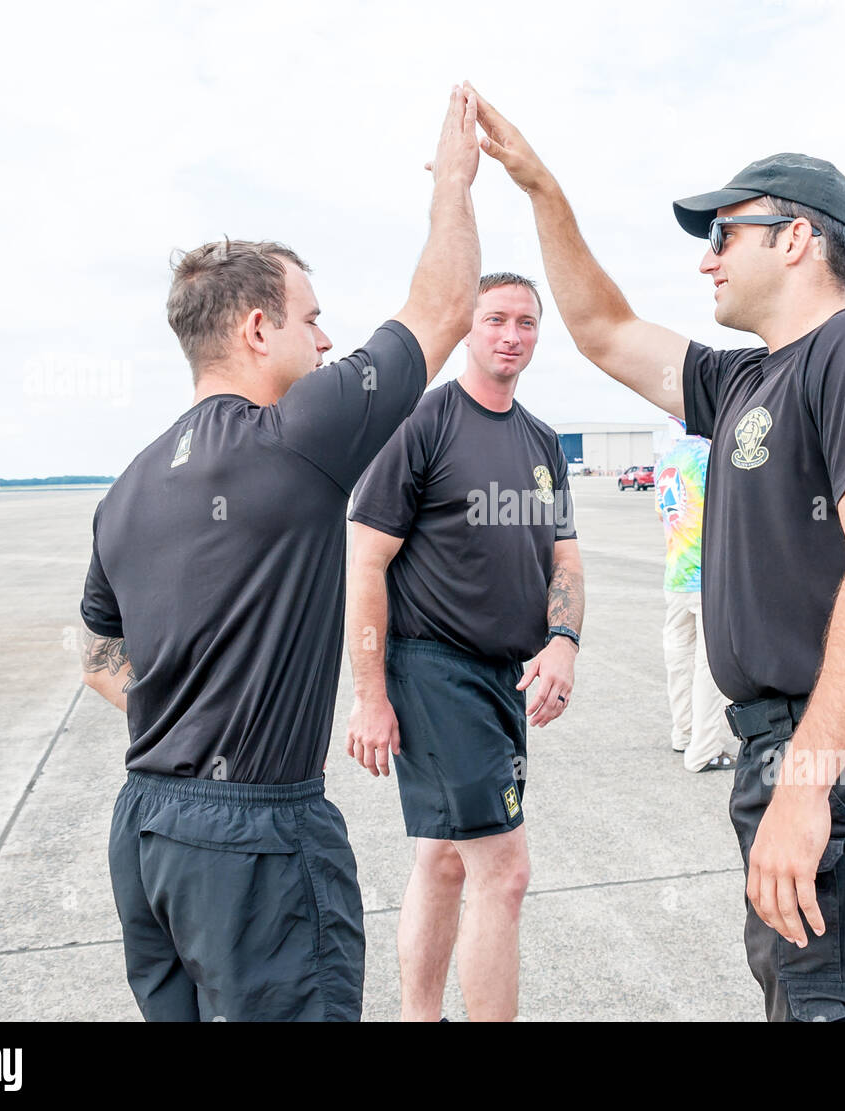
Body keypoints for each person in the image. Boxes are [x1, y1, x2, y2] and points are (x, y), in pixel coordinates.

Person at [470, 84, 845, 1022]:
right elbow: (604, 331)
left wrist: (809, 782)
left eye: (726, 234)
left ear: (797, 238)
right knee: (808, 994)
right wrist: (541, 189)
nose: (707, 260)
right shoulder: (748, 375)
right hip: (790, 751)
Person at [77, 86, 484, 1022]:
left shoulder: (128, 487)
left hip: (145, 832)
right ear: (258, 329)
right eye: (311, 318)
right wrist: (454, 182)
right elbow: (445, 305)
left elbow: (96, 654)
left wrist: (186, 716)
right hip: (253, 840)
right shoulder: (296, 435)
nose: (329, 338)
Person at [345, 271, 584, 1022]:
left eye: (526, 322)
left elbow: (566, 561)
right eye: (495, 320)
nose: (511, 334)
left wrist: (563, 640)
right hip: (432, 669)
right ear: (468, 330)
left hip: (503, 676)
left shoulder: (543, 441)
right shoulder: (423, 423)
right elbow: (366, 562)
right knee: (505, 871)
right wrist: (371, 693)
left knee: (445, 858)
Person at [655, 425, 737, 772]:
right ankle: (705, 750)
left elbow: (663, 515)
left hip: (675, 573)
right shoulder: (711, 456)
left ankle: (683, 733)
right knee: (709, 666)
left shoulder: (666, 461)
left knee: (679, 661)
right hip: (707, 576)